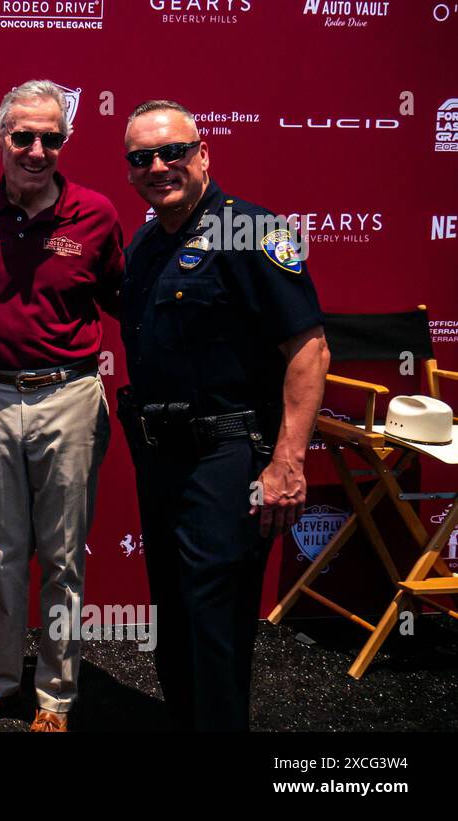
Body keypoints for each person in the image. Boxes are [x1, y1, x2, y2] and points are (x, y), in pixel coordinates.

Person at [119, 101, 329, 731]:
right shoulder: (148, 242)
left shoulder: (256, 233)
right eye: (141, 158)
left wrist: (287, 460)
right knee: (174, 618)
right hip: (163, 459)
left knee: (216, 624)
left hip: (228, 456)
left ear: (202, 153)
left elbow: (309, 348)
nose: (158, 166)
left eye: (172, 152)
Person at [0, 81, 123, 733]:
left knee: (64, 554)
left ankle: (55, 694)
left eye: (51, 137)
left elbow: (124, 296)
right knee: (4, 551)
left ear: (65, 143)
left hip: (70, 394)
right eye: (23, 136)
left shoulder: (97, 214)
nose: (37, 149)